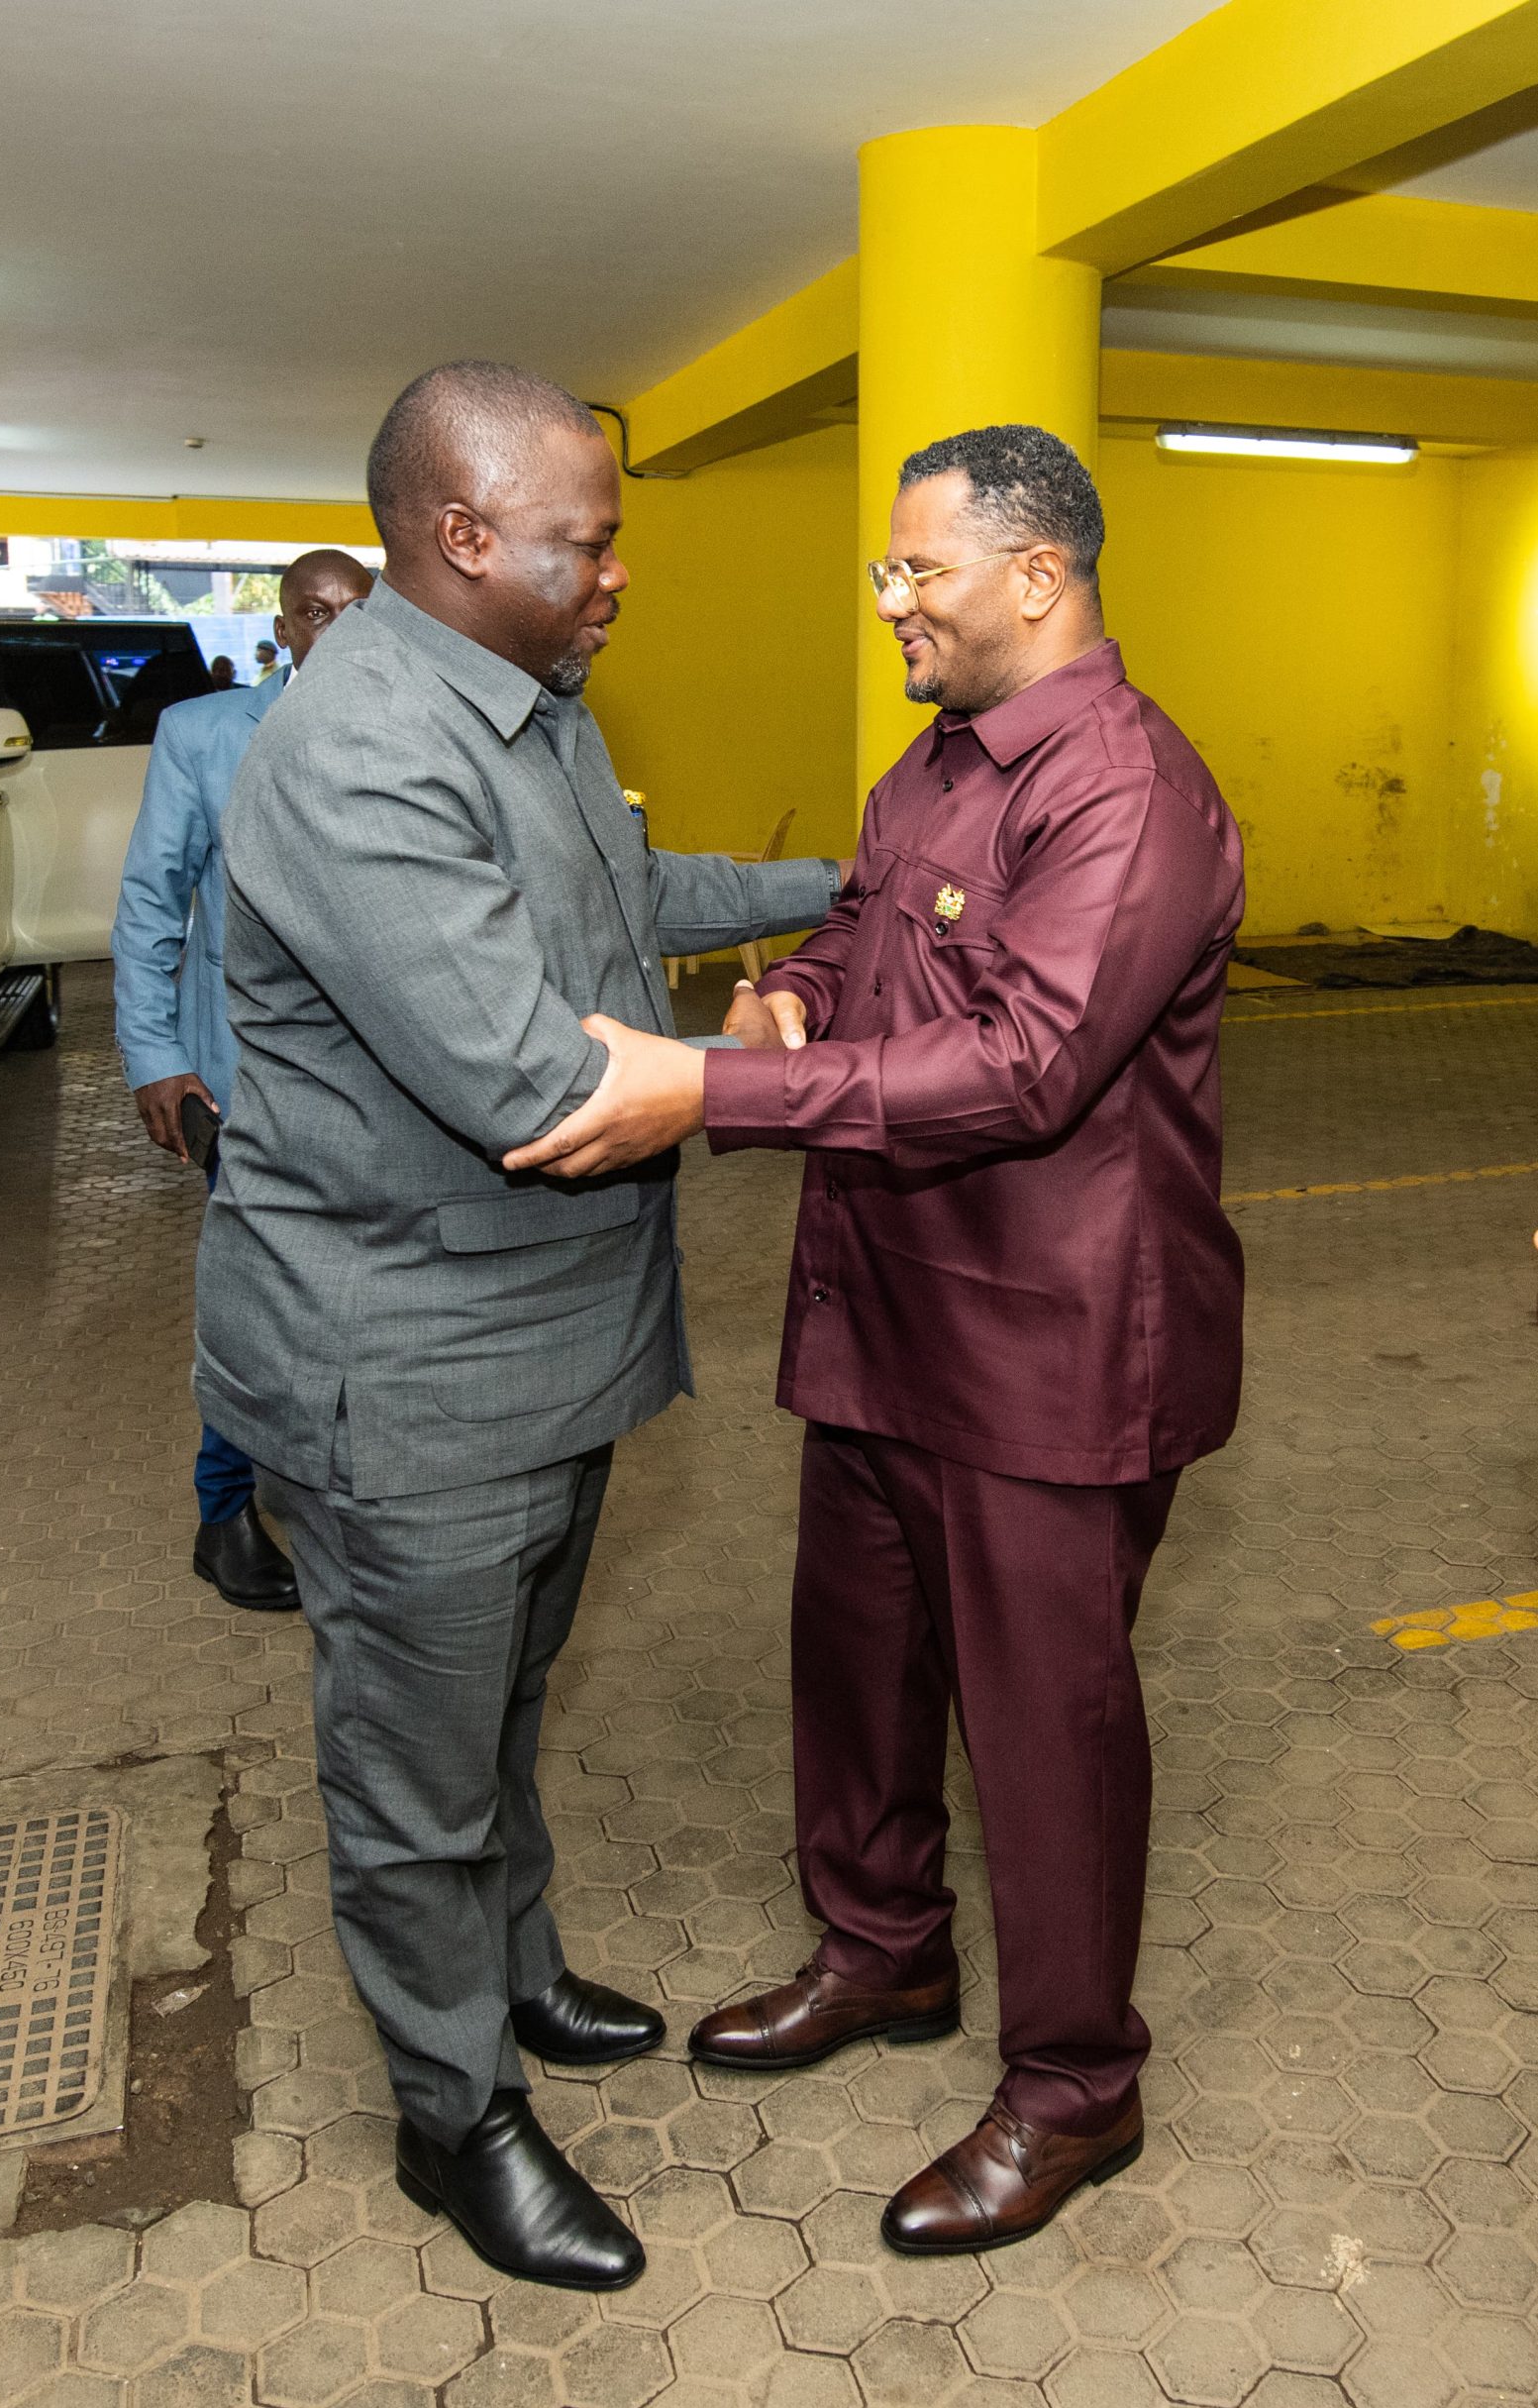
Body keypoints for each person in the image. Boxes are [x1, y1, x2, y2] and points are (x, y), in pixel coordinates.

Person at [503, 422, 1247, 2255]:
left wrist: (712, 1089)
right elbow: (859, 933)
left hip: (1049, 1353)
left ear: (1038, 577)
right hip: (886, 1308)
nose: (893, 600)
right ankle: (883, 1950)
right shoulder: (934, 760)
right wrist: (787, 998)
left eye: (919, 569)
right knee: (854, 1663)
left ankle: (1074, 2085)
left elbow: (1025, 1064)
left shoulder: (1127, 790)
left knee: (1047, 1730)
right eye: (886, 569)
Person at [194, 359, 847, 2292]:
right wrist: (774, 1075)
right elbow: (529, 1081)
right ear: (461, 537)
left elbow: (630, 900)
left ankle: (516, 1968)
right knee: (412, 1767)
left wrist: (854, 884)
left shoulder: (535, 700)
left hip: (545, 1340)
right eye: (588, 541)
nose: (618, 572)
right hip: (407, 1368)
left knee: (497, 1703)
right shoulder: (356, 750)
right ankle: (450, 2112)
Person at [111, 550, 375, 1610]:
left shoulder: (411, 721)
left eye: (357, 610)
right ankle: (224, 1515)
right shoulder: (205, 733)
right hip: (245, 1084)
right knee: (259, 1305)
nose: (338, 628)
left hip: (384, 1085)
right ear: (283, 628)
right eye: (316, 611)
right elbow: (152, 902)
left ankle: (353, 1498)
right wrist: (156, 1057)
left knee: (366, 1306)